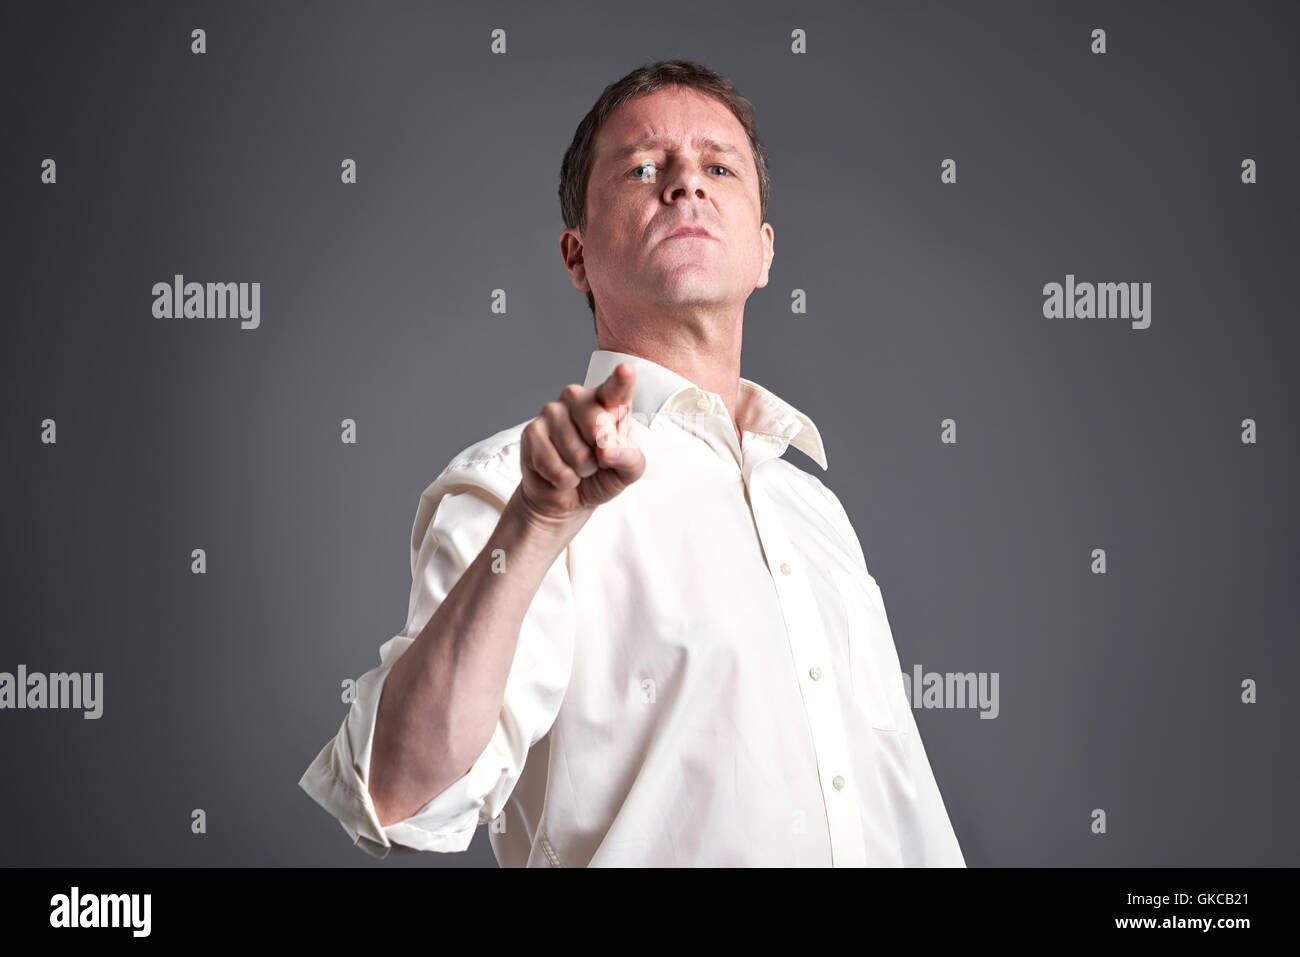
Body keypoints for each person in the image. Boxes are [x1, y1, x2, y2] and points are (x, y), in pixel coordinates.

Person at [298, 59, 966, 867]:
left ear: (764, 254)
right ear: (576, 257)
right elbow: (403, 792)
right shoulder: (520, 483)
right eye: (645, 168)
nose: (686, 183)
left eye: (719, 166)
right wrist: (537, 523)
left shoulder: (813, 509)